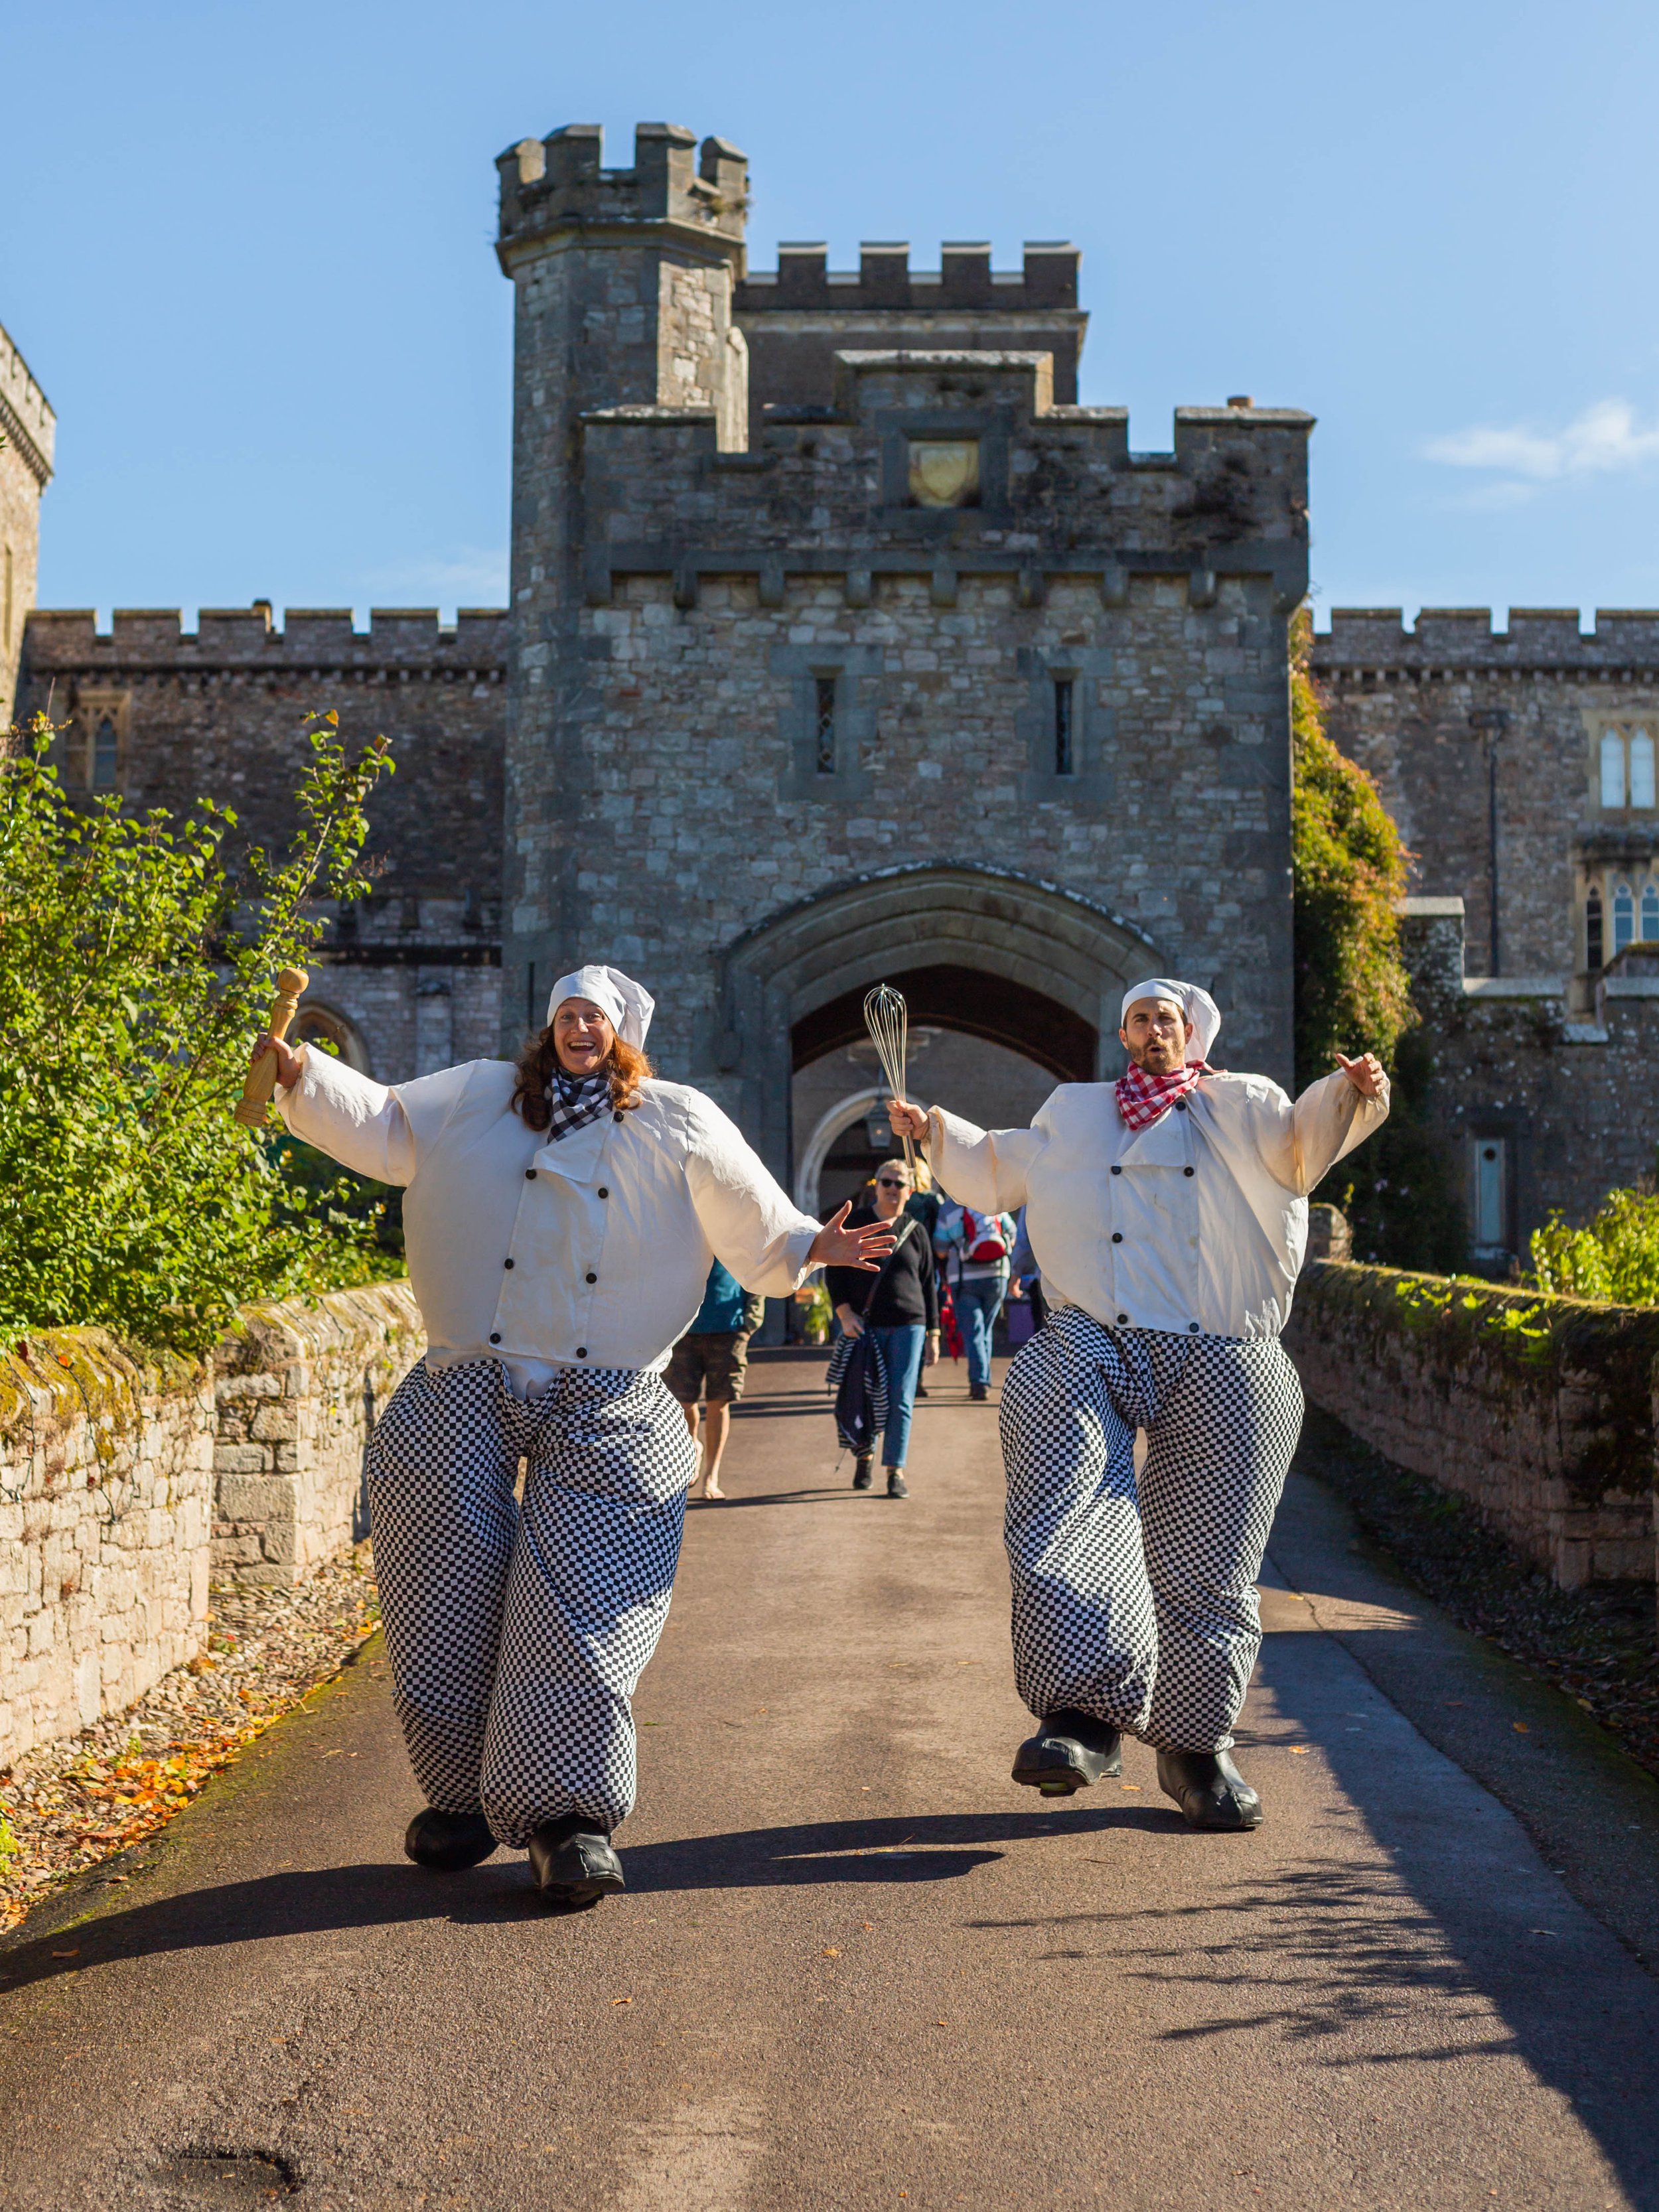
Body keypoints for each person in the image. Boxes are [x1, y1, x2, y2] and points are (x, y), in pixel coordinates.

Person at [257, 964, 892, 1907]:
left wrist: (809, 1247)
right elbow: (387, 1123)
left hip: (610, 1391)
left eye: (595, 1016)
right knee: (440, 1584)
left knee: (583, 1603)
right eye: (566, 1014)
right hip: (464, 1374)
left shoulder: (678, 1117)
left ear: (624, 1032)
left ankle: (566, 1817)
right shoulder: (477, 1092)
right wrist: (302, 1070)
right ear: (549, 1026)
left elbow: (753, 1216)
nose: (579, 1028)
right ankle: (467, 1798)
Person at [889, 978, 1388, 1832]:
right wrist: (934, 1133)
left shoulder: (1243, 1103)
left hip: (1229, 1346)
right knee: (1066, 1479)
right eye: (1140, 1018)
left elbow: (1307, 1141)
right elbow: (999, 1163)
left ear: (1194, 1031)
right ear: (1123, 1034)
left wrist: (1351, 1091)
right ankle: (1082, 1715)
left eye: (1170, 1018)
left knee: (1211, 1564)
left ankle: (1195, 1748)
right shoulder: (1075, 1114)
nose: (1156, 1029)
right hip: (1099, 1334)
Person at [825, 1157, 941, 1498]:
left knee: (901, 1399)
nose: (892, 1189)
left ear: (910, 1190)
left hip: (910, 1325)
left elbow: (928, 1284)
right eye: (885, 1183)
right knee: (864, 1395)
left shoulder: (916, 1230)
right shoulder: (858, 1223)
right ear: (876, 1186)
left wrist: (934, 1334)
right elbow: (835, 1271)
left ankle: (896, 1470)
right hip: (866, 1325)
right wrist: (845, 1314)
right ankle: (865, 1457)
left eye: (898, 1183)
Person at [666, 1259, 766, 1500]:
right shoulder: (683, 1227)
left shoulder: (732, 1229)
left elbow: (756, 1270)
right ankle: (692, 1447)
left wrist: (750, 1322)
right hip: (683, 1329)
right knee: (682, 1404)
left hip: (729, 1328)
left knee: (718, 1402)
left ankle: (712, 1476)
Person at [937, 1199, 1017, 1401]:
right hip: (998, 1275)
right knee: (984, 1330)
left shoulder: (949, 1209)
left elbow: (940, 1248)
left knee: (973, 1331)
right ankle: (982, 1378)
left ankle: (979, 1382)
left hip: (964, 1279)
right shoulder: (992, 1201)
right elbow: (1013, 1234)